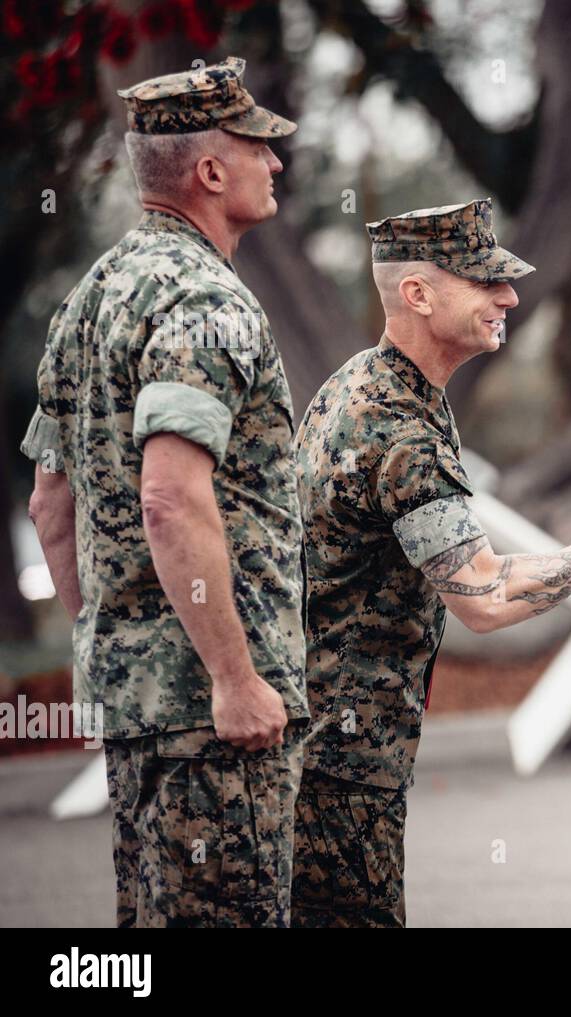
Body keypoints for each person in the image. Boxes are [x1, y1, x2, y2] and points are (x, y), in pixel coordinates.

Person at [291, 201, 571, 927]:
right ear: (418, 294)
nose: (509, 298)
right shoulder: (398, 430)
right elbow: (485, 596)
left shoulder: (356, 384)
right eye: (484, 282)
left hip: (319, 743)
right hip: (343, 759)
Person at [22, 57, 306, 927]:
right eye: (260, 146)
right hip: (216, 715)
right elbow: (170, 499)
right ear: (211, 171)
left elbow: (51, 508)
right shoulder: (206, 301)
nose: (279, 163)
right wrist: (231, 676)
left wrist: (118, 651)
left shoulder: (88, 300)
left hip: (142, 707)